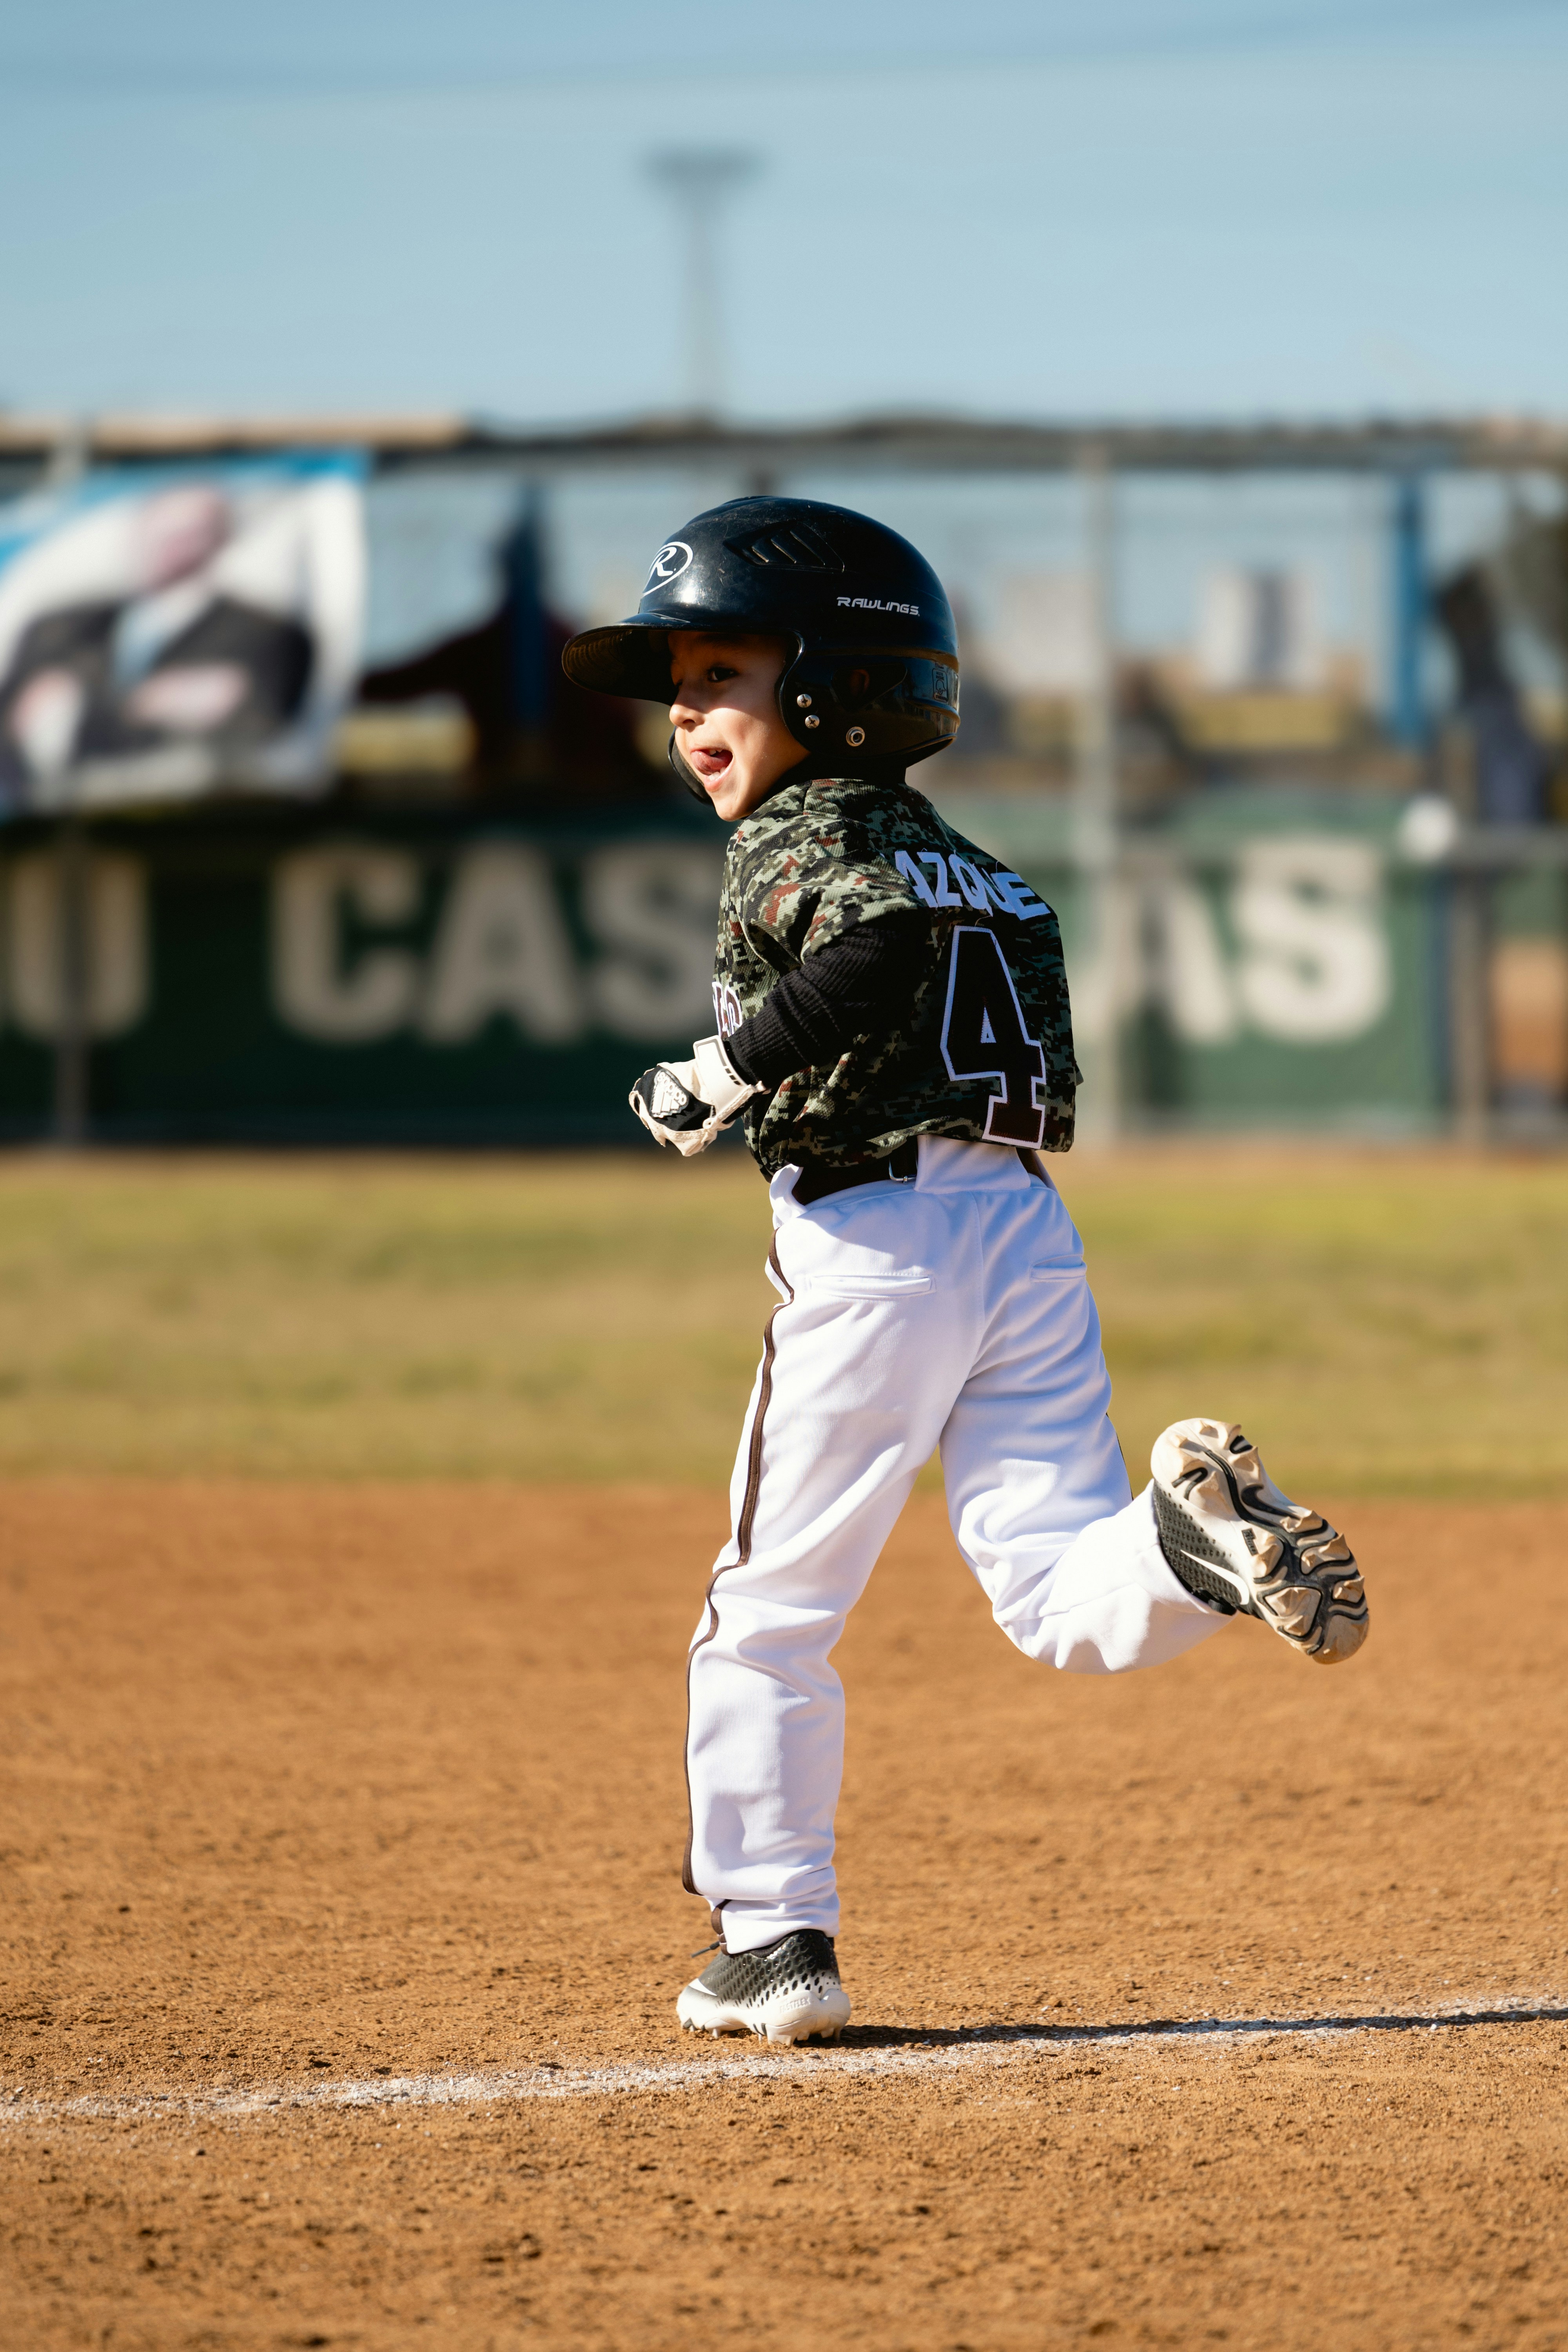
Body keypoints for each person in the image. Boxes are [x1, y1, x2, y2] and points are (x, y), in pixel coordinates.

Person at [562, 497, 1369, 2051]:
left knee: (764, 1616)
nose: (684, 708)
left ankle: (771, 1931)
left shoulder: (807, 837)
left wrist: (716, 1073)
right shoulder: (985, 868)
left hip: (875, 1244)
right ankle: (1191, 1546)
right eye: (682, 678)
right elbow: (951, 972)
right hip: (1016, 1231)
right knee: (1056, 1583)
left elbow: (869, 954)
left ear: (832, 687)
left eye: (722, 671)